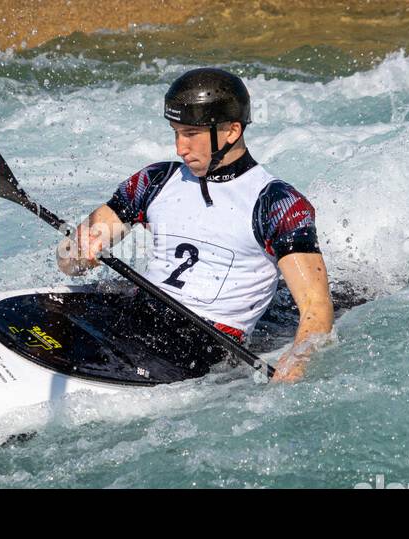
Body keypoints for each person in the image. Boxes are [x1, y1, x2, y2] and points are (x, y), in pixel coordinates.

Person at [55, 68, 335, 382]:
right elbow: (67, 261)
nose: (179, 147)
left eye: (191, 134)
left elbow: (316, 303)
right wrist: (78, 253)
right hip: (138, 311)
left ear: (231, 131)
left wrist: (298, 358)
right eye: (176, 132)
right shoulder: (155, 180)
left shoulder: (276, 202)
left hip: (206, 342)